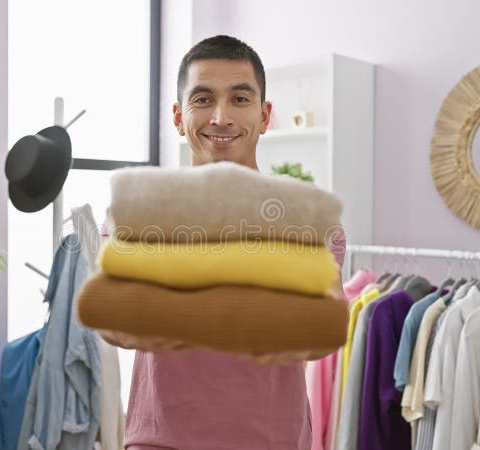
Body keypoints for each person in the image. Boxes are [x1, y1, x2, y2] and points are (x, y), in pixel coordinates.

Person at [104, 35, 323, 450]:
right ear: (178, 116)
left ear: (265, 115)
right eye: (203, 100)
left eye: (240, 99)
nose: (221, 118)